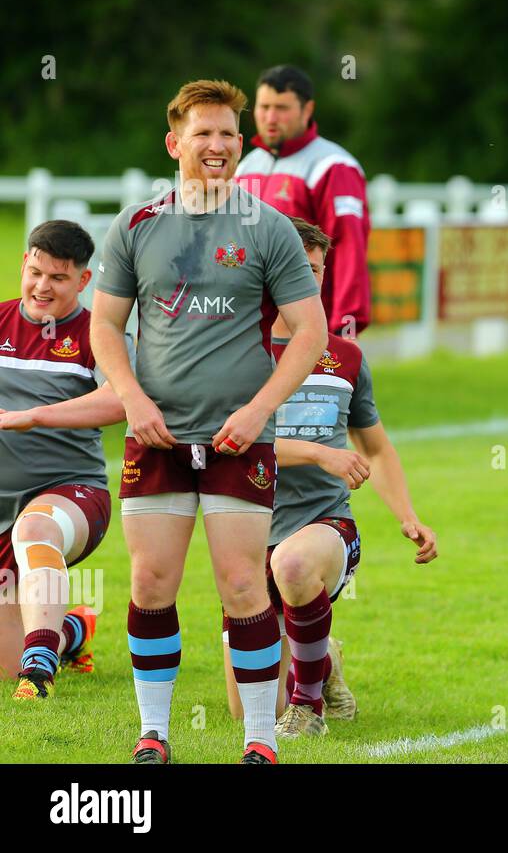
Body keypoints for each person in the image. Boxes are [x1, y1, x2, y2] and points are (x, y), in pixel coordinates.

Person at [91, 79, 328, 764]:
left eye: (229, 133)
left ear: (243, 143)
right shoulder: (137, 225)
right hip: (156, 437)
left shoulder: (270, 227)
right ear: (176, 143)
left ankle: (259, 739)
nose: (217, 146)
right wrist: (132, 398)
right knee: (150, 583)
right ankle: (153, 734)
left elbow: (309, 331)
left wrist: (259, 411)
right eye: (203, 133)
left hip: (238, 440)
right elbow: (106, 325)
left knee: (245, 584)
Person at [220, 218, 437, 738]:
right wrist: (318, 453)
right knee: (246, 710)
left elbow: (376, 449)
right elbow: (230, 440)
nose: (305, 279)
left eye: (314, 271)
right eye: (295, 267)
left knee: (293, 564)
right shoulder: (231, 353)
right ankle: (322, 656)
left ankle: (309, 708)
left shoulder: (346, 356)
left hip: (324, 527)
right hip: (247, 536)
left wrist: (409, 518)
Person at [0, 220, 118, 699]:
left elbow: (122, 400)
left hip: (73, 495)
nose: (41, 287)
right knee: (2, 663)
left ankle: (40, 665)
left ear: (83, 281)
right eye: (35, 272)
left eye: (58, 278)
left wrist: (34, 417)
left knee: (36, 529)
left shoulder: (97, 333)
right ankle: (73, 631)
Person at [235, 65, 372, 335]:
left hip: (309, 330)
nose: (271, 117)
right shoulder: (246, 167)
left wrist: (345, 329)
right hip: (251, 330)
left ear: (307, 110)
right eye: (264, 107)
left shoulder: (333, 167)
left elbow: (349, 250)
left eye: (282, 108)